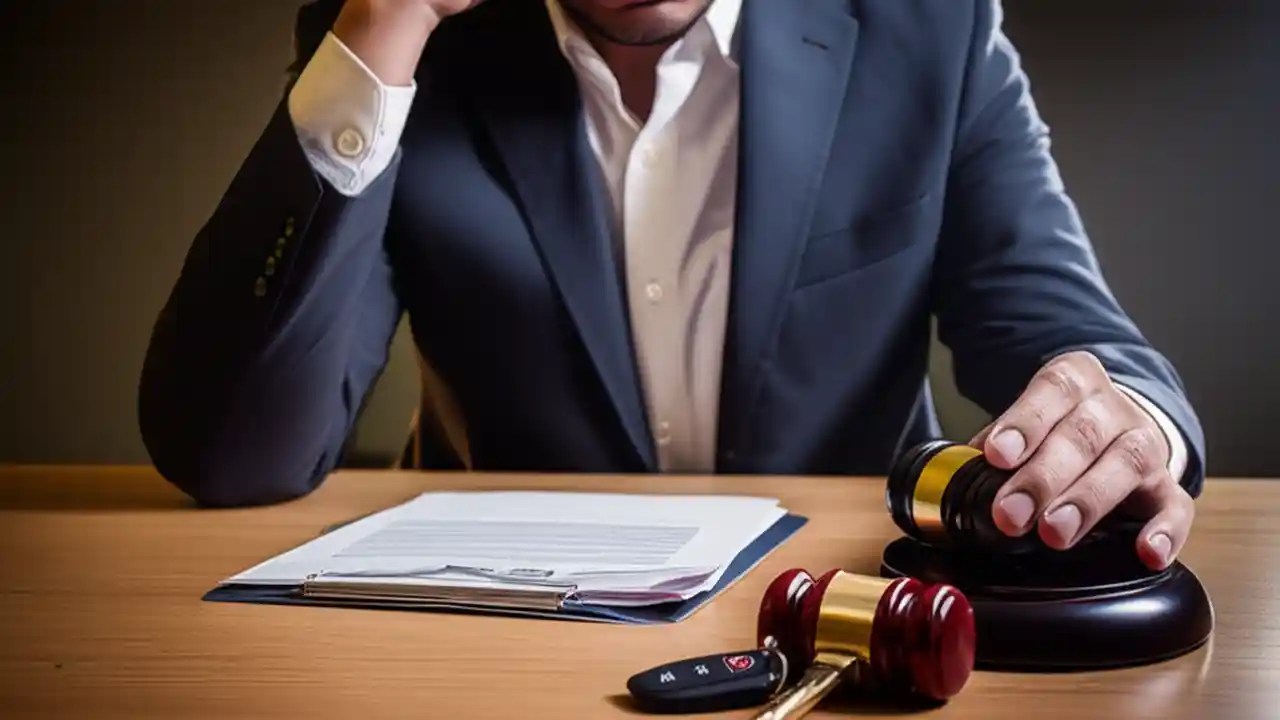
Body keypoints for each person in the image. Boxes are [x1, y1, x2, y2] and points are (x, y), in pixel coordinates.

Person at [139, 0, 1205, 571]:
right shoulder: (415, 40)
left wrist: (1131, 425)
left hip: (833, 613)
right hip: (492, 634)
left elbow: (1063, 326)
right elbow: (236, 453)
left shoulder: (928, 26)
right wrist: (382, 29)